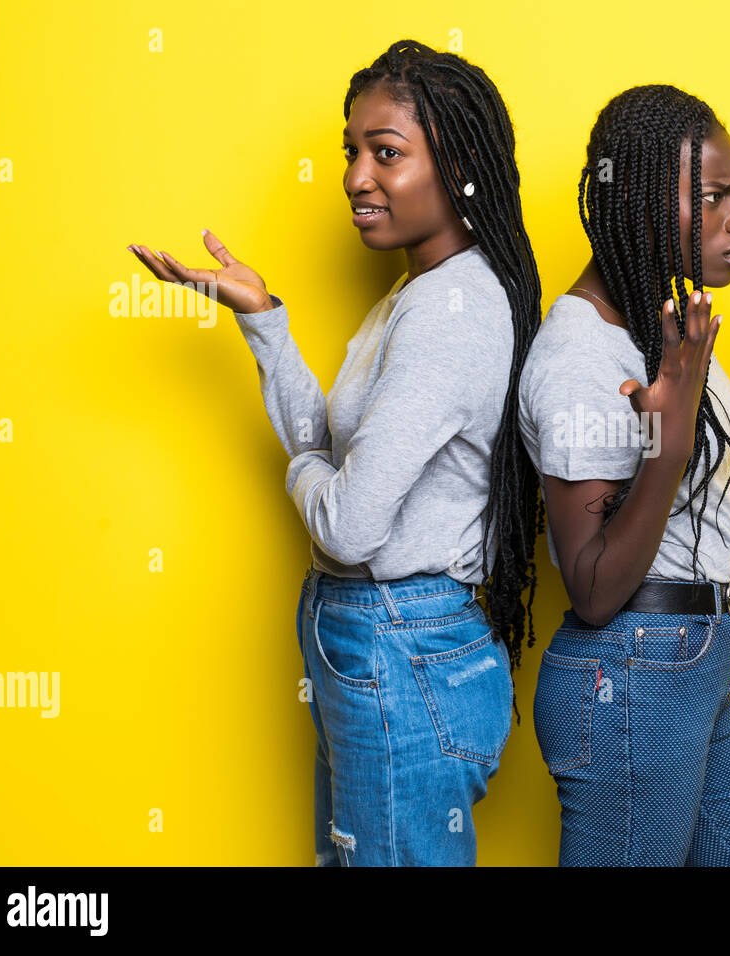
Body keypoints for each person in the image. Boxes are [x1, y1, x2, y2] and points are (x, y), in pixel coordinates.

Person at [127, 39, 543, 866]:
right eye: (350, 152)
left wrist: (299, 474)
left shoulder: (451, 311)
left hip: (404, 650)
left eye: (385, 153)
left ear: (458, 165)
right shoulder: (419, 294)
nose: (355, 176)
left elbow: (348, 525)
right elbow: (332, 447)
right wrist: (264, 317)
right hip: (383, 646)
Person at [517, 84, 730, 865]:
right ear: (645, 207)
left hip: (694, 669)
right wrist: (665, 446)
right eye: (715, 198)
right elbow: (593, 585)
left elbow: (693, 473)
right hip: (631, 680)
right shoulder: (582, 354)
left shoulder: (664, 327)